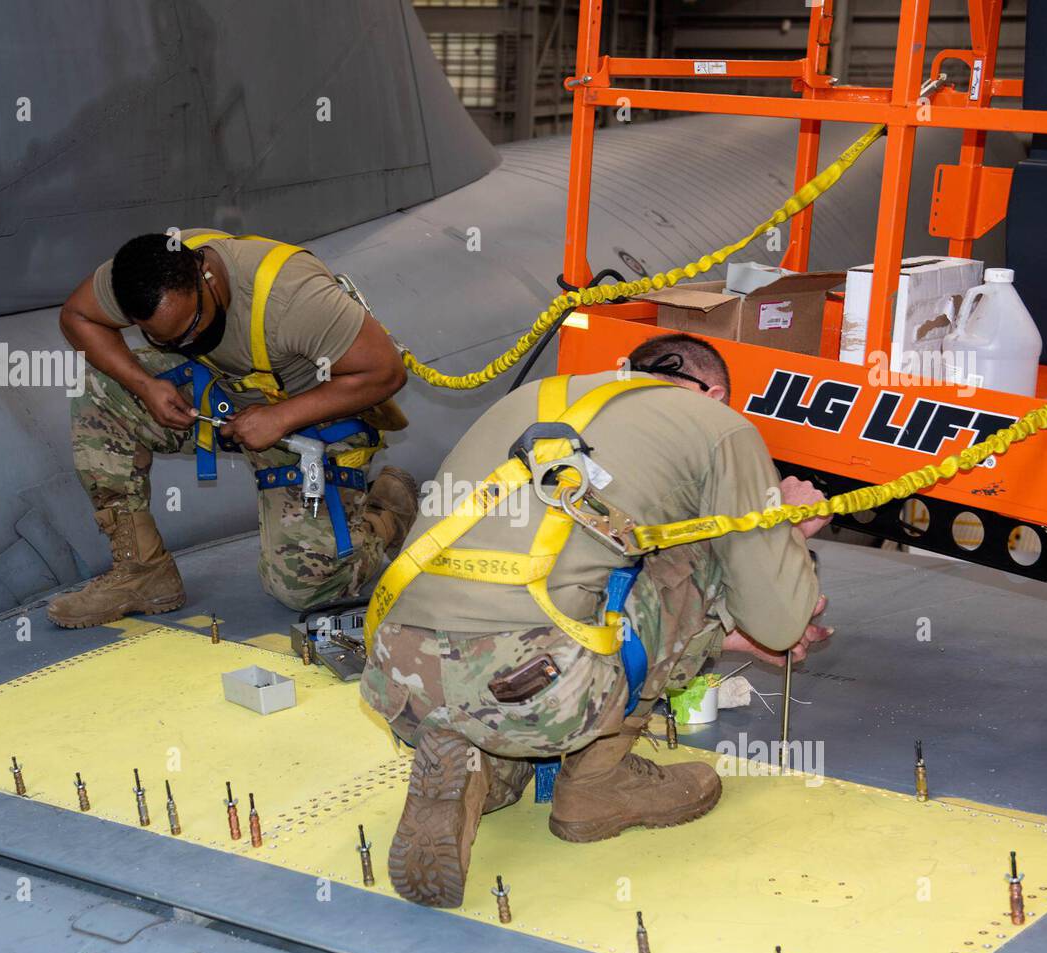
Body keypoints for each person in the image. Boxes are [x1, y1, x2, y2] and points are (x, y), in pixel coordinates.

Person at [360, 332, 832, 907]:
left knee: (594, 574)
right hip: (532, 681)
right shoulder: (718, 425)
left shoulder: (539, 396)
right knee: (705, 549)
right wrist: (783, 530)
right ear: (714, 392)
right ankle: (596, 785)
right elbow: (780, 620)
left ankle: (483, 763)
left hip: (398, 671)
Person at [48, 229, 418, 627]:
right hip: (220, 399)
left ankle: (386, 514)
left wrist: (280, 417)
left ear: (205, 275)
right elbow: (77, 315)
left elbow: (384, 372)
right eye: (162, 339)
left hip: (311, 420)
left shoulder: (292, 299)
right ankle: (143, 572)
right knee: (101, 389)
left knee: (303, 591)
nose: (182, 343)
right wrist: (146, 386)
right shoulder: (143, 274)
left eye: (190, 329)